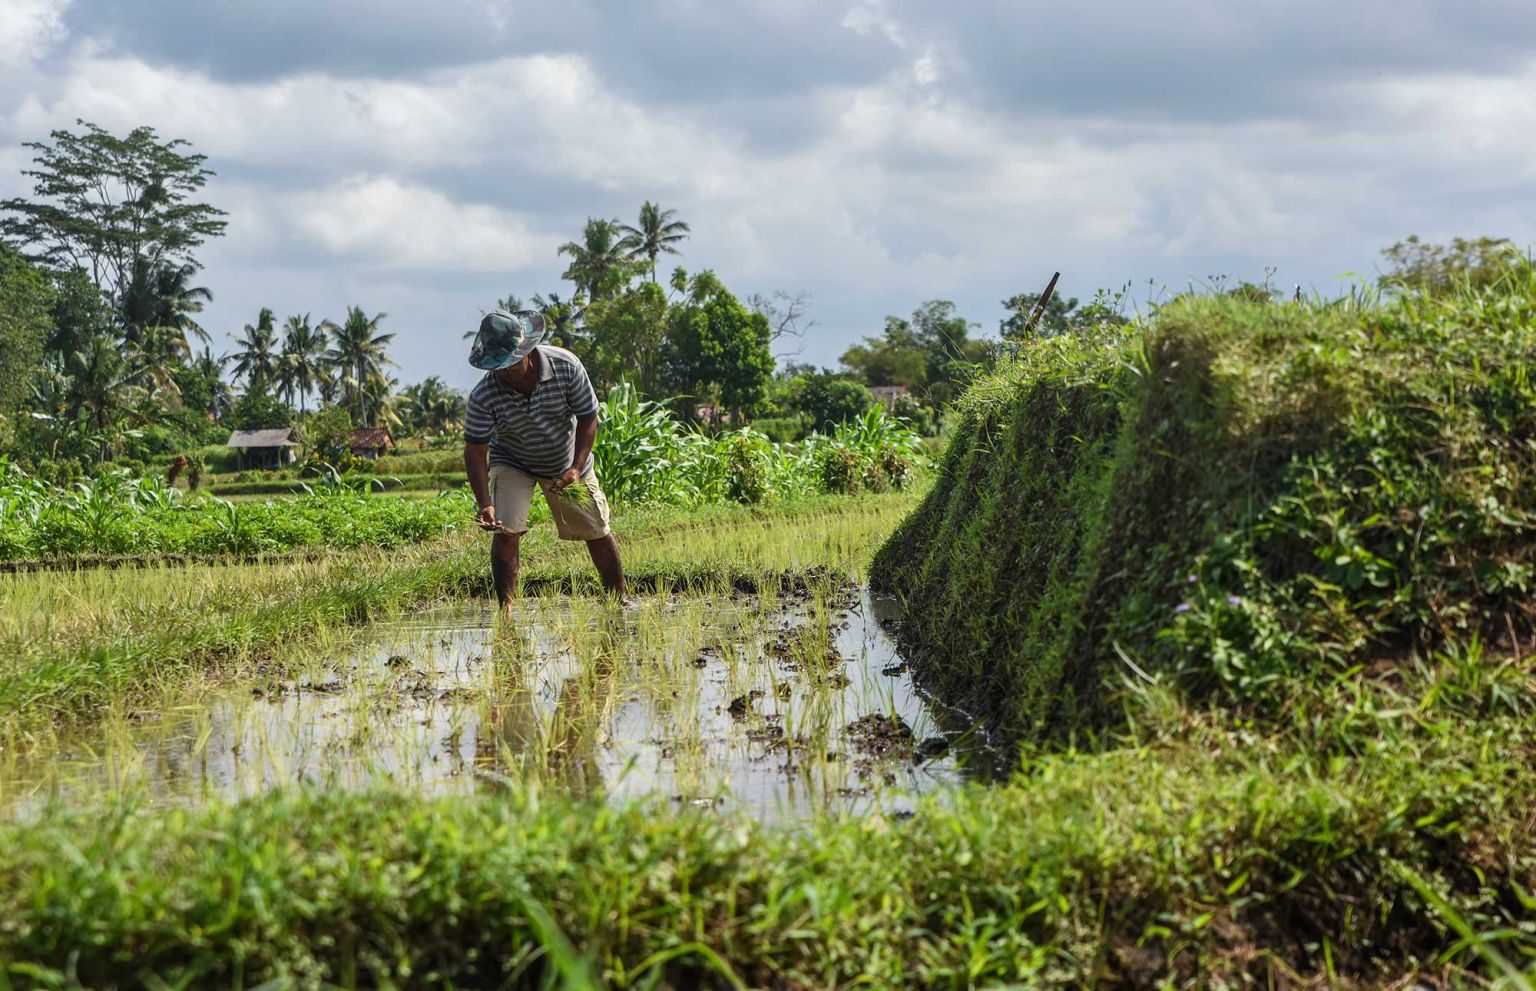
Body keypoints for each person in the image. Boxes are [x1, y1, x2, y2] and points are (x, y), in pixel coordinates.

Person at [462, 308, 626, 609]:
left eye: (511, 364)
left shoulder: (566, 366)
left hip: (566, 460)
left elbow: (589, 418)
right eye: (499, 367)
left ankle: (620, 599)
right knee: (506, 529)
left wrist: (576, 468)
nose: (506, 372)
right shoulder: (484, 395)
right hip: (512, 460)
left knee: (596, 528)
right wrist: (484, 502)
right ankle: (507, 610)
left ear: (526, 349)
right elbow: (475, 450)